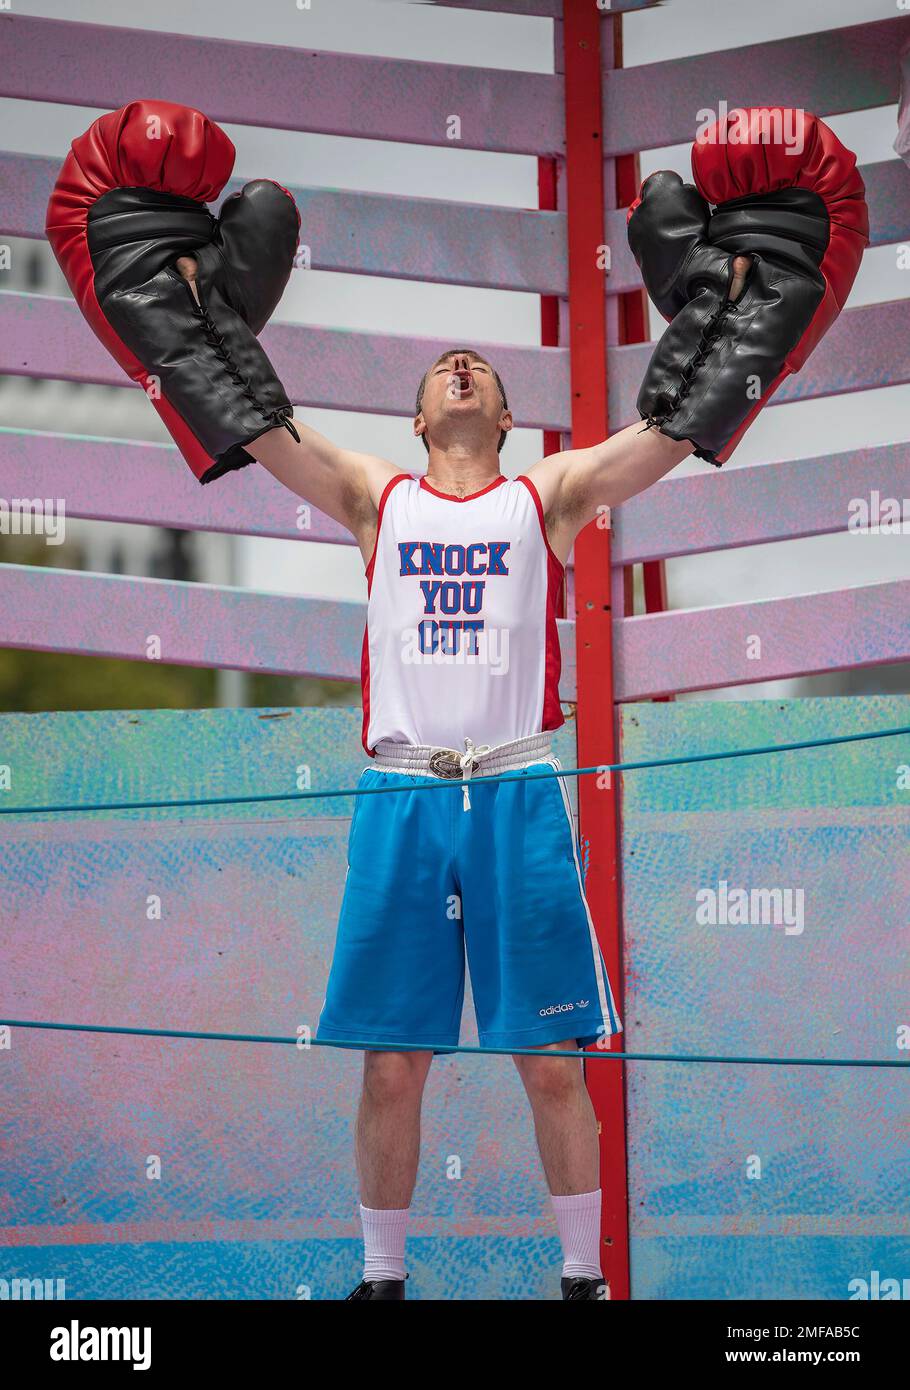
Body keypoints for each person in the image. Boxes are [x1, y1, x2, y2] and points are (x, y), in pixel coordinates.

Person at [48, 99, 867, 1301]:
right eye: (442, 371)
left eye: (476, 365)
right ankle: (381, 1282)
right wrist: (182, 308)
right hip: (400, 793)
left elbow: (672, 428)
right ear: (419, 419)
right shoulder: (374, 497)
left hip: (518, 790)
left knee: (548, 1059)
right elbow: (255, 423)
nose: (461, 368)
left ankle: (579, 1280)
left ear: (502, 415)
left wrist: (744, 308)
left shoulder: (553, 493)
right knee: (389, 1065)